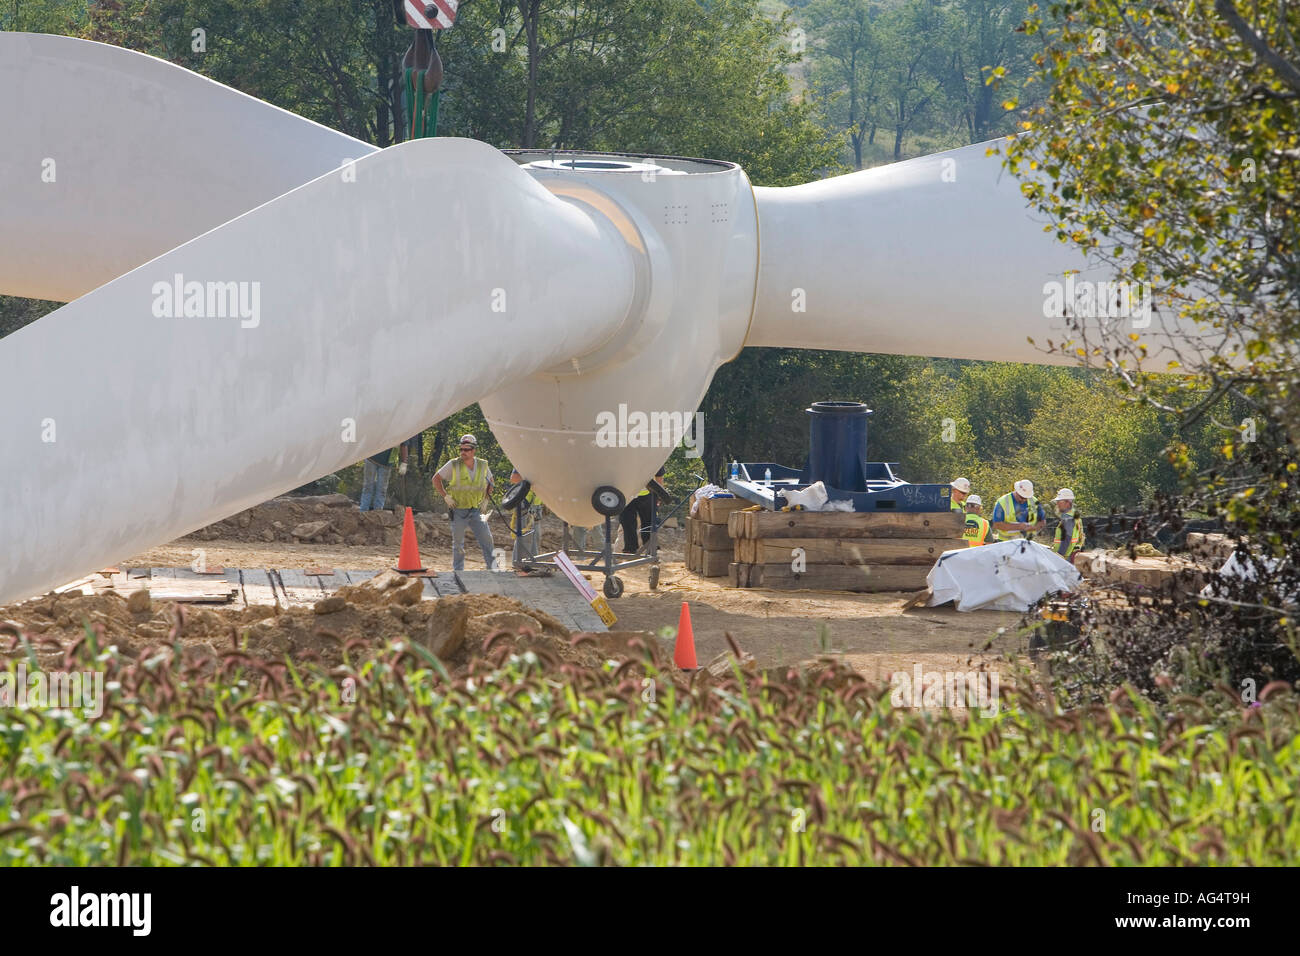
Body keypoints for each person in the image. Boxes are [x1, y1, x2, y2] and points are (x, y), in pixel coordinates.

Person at [432, 434, 496, 571]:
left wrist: (486, 499)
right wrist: (445, 496)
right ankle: (458, 571)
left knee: (487, 539)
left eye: (466, 449)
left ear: (473, 450)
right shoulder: (453, 464)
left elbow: (491, 482)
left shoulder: (483, 465)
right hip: (458, 510)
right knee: (458, 544)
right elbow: (436, 479)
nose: (463, 452)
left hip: (476, 510)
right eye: (461, 449)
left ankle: (493, 568)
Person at [619, 467, 665, 554]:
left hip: (646, 495)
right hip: (627, 494)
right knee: (627, 522)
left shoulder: (653, 455)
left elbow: (659, 476)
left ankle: (650, 549)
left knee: (649, 523)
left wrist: (659, 495)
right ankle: (630, 549)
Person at [507, 467, 542, 566]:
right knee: (525, 538)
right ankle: (521, 566)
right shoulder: (524, 461)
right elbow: (514, 478)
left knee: (535, 537)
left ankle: (531, 565)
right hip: (525, 506)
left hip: (536, 507)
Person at [1050, 488, 1085, 563]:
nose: (1057, 504)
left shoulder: (1068, 518)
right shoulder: (1075, 515)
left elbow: (1066, 540)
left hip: (1064, 558)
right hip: (1070, 556)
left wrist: (1058, 557)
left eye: (1059, 501)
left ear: (1068, 503)